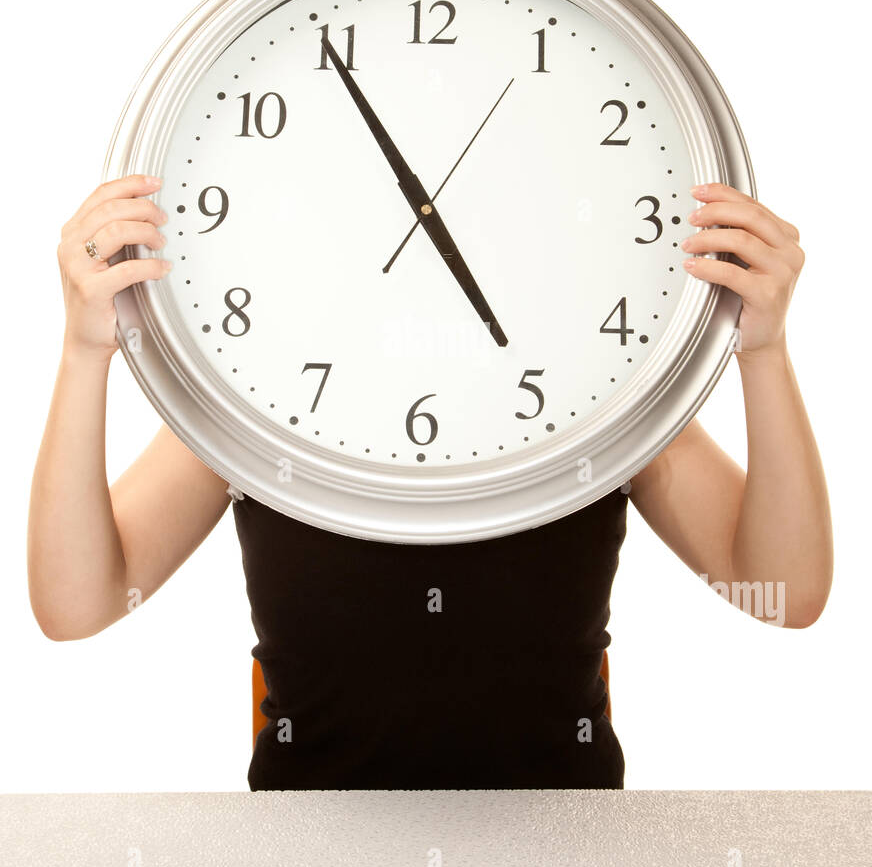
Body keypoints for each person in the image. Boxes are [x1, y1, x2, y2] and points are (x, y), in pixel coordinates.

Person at [27, 174, 832, 789]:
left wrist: (763, 354)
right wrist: (81, 354)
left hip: (569, 862)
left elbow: (783, 590)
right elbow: (78, 603)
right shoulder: (266, 397)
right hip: (307, 863)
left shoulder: (592, 394)